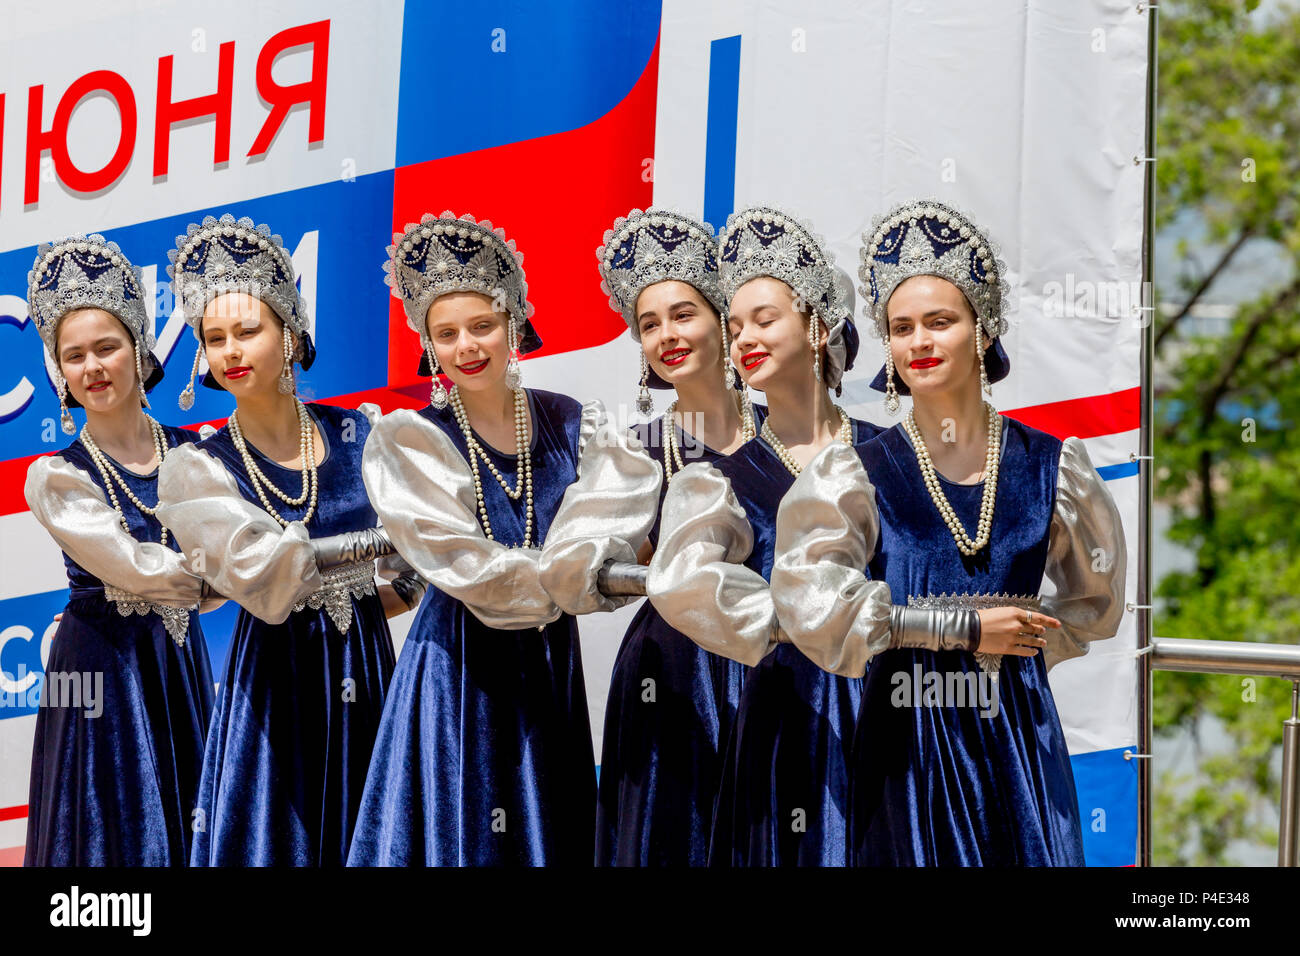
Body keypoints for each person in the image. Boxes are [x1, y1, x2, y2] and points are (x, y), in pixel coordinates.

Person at [771, 198, 1128, 865]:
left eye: (940, 321)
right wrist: (958, 631)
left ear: (983, 331)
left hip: (1016, 730)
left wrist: (1020, 641)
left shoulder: (1052, 465)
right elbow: (808, 603)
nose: (919, 342)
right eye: (901, 328)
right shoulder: (856, 471)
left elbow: (1095, 603)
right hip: (906, 740)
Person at [346, 211, 659, 866]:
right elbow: (469, 570)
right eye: (446, 333)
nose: (467, 346)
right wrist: (563, 578)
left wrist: (579, 570)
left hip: (546, 666)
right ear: (428, 345)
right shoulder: (415, 438)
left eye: (482, 325)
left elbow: (614, 515)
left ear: (514, 322)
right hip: (458, 669)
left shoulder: (568, 420)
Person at [155, 213, 421, 866]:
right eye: (214, 338)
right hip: (271, 685)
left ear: (289, 330)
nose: (231, 352)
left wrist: (367, 600)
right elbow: (260, 582)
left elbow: (420, 561)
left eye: (247, 330)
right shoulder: (200, 467)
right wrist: (363, 555)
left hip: (363, 666)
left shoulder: (366, 433)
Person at [647, 205, 881, 865]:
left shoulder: (892, 455)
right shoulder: (722, 476)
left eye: (766, 319)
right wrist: (804, 621)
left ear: (815, 327)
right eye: (736, 323)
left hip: (889, 712)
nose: (745, 336)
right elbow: (682, 583)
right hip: (784, 713)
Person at [23, 234, 217, 865]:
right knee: (99, 836)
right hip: (95, 671)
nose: (93, 368)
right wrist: (242, 575)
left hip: (174, 662)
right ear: (61, 372)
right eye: (73, 356)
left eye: (106, 347)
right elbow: (141, 570)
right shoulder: (56, 476)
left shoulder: (197, 451)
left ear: (138, 348)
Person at [593, 208, 763, 866]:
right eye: (649, 323)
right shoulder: (634, 450)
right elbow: (608, 566)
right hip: (669, 678)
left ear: (723, 319)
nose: (667, 334)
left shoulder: (790, 428)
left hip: (774, 662)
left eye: (683, 313)